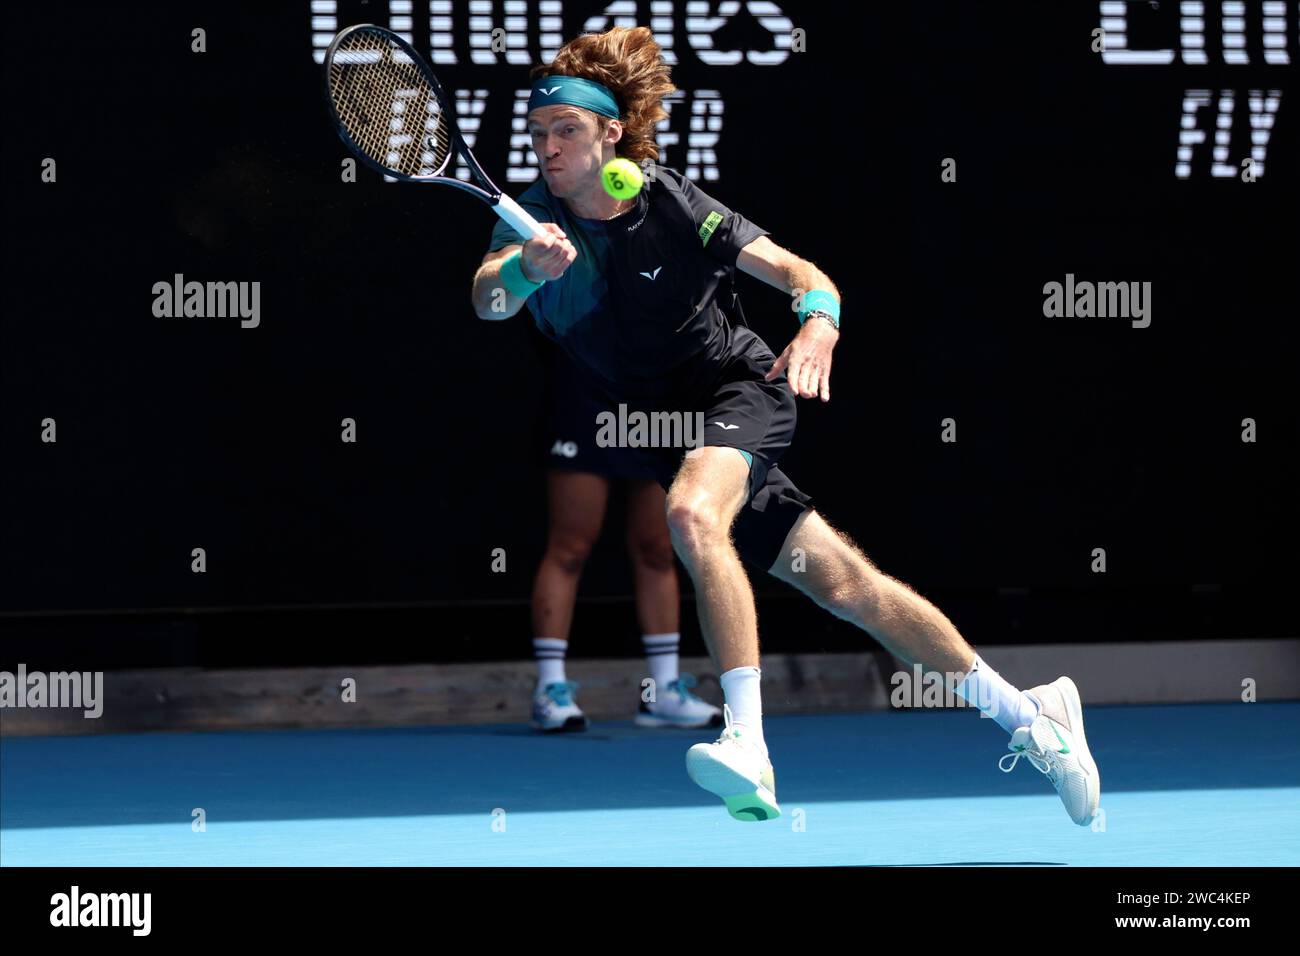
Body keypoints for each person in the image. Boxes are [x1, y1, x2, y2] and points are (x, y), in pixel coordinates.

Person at [471, 26, 1100, 825]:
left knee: (693, 517)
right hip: (668, 432)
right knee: (846, 586)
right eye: (537, 134)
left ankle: (748, 746)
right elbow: (489, 298)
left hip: (741, 389)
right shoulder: (529, 222)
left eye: (565, 130)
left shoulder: (670, 200)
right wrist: (528, 268)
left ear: (612, 134)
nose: (548, 148)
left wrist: (819, 318)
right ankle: (1031, 715)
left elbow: (801, 273)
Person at [529, 342, 722, 732]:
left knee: (657, 548)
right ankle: (550, 688)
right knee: (571, 547)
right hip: (585, 389)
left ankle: (662, 692)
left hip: (656, 396)